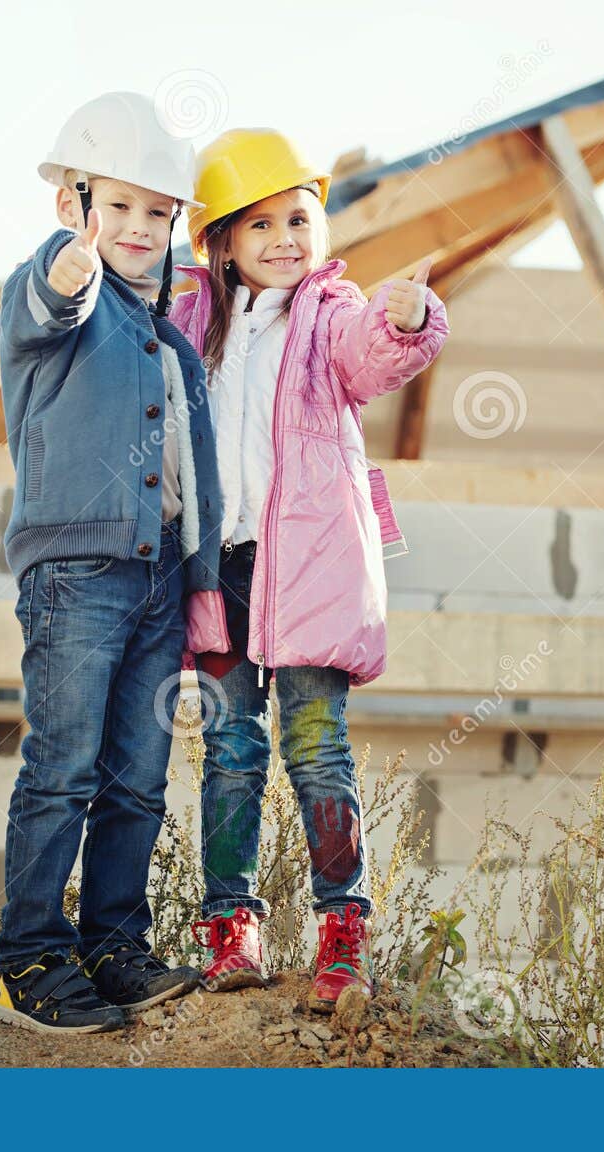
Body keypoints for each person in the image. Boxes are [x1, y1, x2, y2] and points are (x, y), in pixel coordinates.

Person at [172, 128, 448, 1011]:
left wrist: (407, 319)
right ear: (221, 243)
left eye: (299, 218)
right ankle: (231, 928)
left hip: (310, 571)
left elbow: (375, 355)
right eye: (261, 225)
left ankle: (342, 931)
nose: (286, 238)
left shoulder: (331, 316)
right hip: (220, 572)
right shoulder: (192, 323)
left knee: (316, 746)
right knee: (230, 748)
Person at [0, 92, 224, 1033]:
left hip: (158, 576)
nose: (138, 227)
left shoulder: (170, 341)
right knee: (64, 768)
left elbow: (192, 475)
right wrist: (69, 267)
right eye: (117, 205)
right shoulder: (55, 299)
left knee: (138, 778)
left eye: (157, 212)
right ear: (72, 204)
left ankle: (114, 945)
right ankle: (31, 959)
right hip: (77, 576)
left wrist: (200, 577)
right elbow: (53, 299)